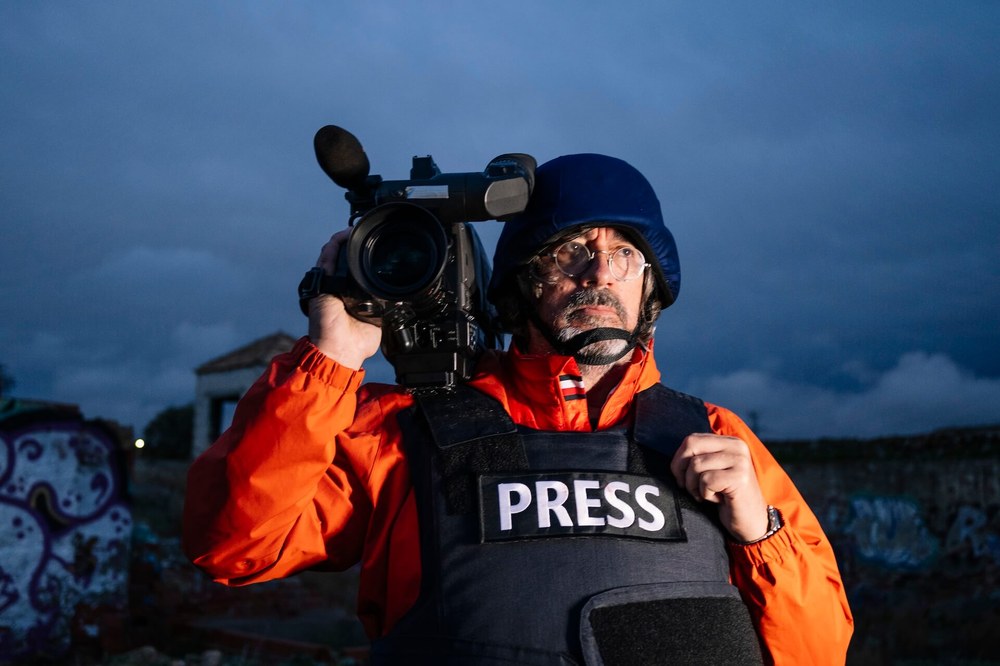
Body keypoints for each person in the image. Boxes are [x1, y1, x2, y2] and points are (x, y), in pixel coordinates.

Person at [183, 153, 853, 665]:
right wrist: (330, 358)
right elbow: (234, 546)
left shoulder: (713, 438)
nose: (599, 273)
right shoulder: (407, 435)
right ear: (520, 283)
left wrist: (760, 534)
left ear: (650, 285)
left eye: (624, 253)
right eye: (571, 252)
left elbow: (818, 652)